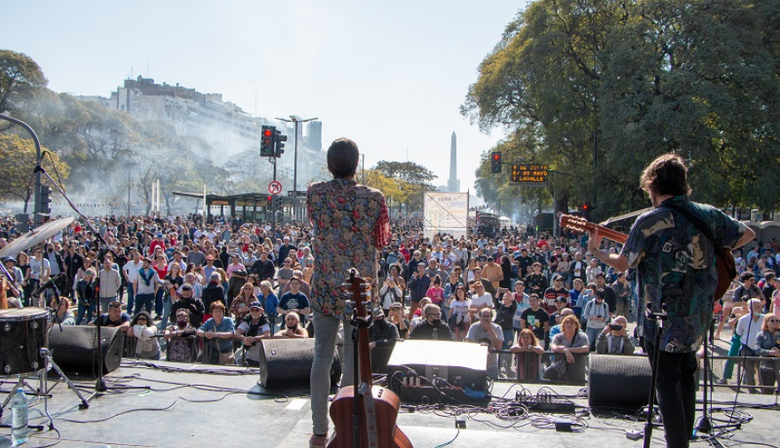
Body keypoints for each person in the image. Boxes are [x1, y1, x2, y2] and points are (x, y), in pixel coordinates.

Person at [588, 153, 753, 448]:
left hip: (659, 318)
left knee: (665, 382)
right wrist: (713, 252)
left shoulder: (650, 221)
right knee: (688, 374)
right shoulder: (709, 214)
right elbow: (747, 233)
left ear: (652, 186)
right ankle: (684, 438)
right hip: (698, 313)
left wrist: (598, 252)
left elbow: (624, 263)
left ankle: (677, 443)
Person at [306, 138, 390, 448]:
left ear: (330, 164)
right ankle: (346, 426)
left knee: (321, 356)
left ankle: (318, 431)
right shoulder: (373, 198)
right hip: (359, 291)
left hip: (326, 285)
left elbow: (318, 223)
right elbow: (381, 241)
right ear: (356, 164)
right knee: (354, 359)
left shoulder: (315, 193)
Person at [543, 315, 589, 381]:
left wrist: (568, 350)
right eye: (566, 323)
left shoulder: (582, 337)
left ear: (576, 325)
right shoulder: (558, 337)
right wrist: (565, 351)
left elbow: (585, 348)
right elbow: (553, 347)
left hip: (577, 367)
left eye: (571, 323)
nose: (568, 325)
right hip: (559, 367)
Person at [466, 308, 504, 379]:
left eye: (488, 316)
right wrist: (479, 347)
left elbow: (498, 346)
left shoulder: (497, 328)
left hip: (491, 366)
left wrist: (490, 330)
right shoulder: (474, 327)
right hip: (476, 365)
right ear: (479, 317)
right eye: (484, 316)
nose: (486, 319)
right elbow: (468, 343)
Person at [736, 298, 764, 390]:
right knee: (748, 372)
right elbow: (739, 332)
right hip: (746, 348)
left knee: (762, 371)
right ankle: (752, 391)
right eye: (757, 307)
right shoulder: (743, 320)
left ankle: (764, 390)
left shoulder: (764, 319)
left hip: (760, 349)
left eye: (761, 307)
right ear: (750, 308)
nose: (760, 309)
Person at [234, 301, 271, 366]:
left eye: (257, 310)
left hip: (261, 357)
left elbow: (267, 336)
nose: (254, 312)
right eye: (252, 310)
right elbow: (236, 333)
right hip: (249, 357)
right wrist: (243, 338)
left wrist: (254, 339)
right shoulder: (247, 320)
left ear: (261, 310)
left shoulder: (264, 321)